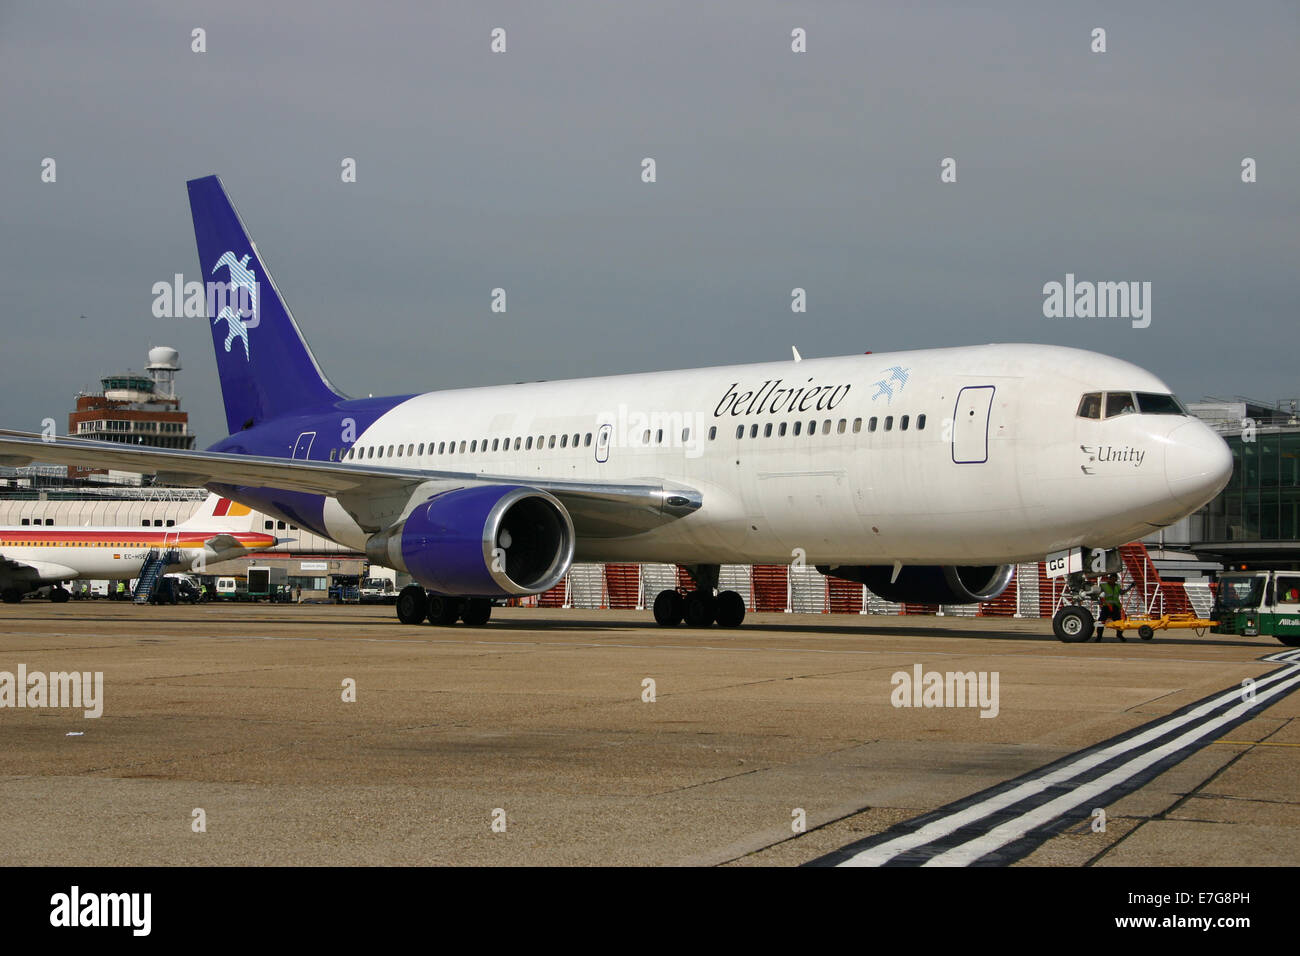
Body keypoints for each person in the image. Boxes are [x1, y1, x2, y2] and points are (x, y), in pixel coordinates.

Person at [1096, 573, 1135, 641]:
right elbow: (1099, 594)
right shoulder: (1103, 586)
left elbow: (1122, 592)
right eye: (1112, 579)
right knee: (1101, 622)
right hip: (1106, 607)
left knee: (1119, 622)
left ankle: (1119, 635)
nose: (1113, 581)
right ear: (1110, 578)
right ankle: (1099, 636)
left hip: (1115, 607)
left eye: (1115, 579)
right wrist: (1100, 601)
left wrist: (1130, 587)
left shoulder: (1117, 586)